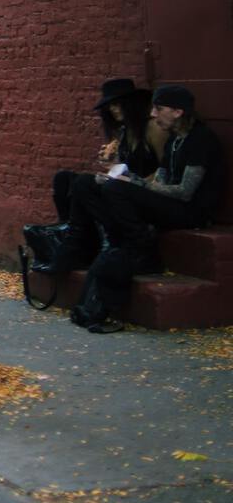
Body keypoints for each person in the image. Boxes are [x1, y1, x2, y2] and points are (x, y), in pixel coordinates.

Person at [68, 84, 226, 334]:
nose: (152, 114)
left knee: (117, 190)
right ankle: (103, 240)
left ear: (177, 112)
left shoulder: (200, 140)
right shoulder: (176, 139)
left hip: (191, 213)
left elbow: (185, 192)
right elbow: (161, 180)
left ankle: (140, 247)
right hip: (169, 204)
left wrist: (135, 184)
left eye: (159, 108)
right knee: (88, 184)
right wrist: (122, 175)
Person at [50, 78, 157, 221]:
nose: (112, 109)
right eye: (110, 106)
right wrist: (111, 166)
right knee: (64, 178)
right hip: (122, 187)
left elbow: (166, 169)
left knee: (83, 183)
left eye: (117, 104)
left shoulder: (151, 129)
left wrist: (136, 182)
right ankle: (66, 226)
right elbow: (124, 169)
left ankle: (93, 234)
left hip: (141, 191)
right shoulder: (124, 132)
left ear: (131, 103)